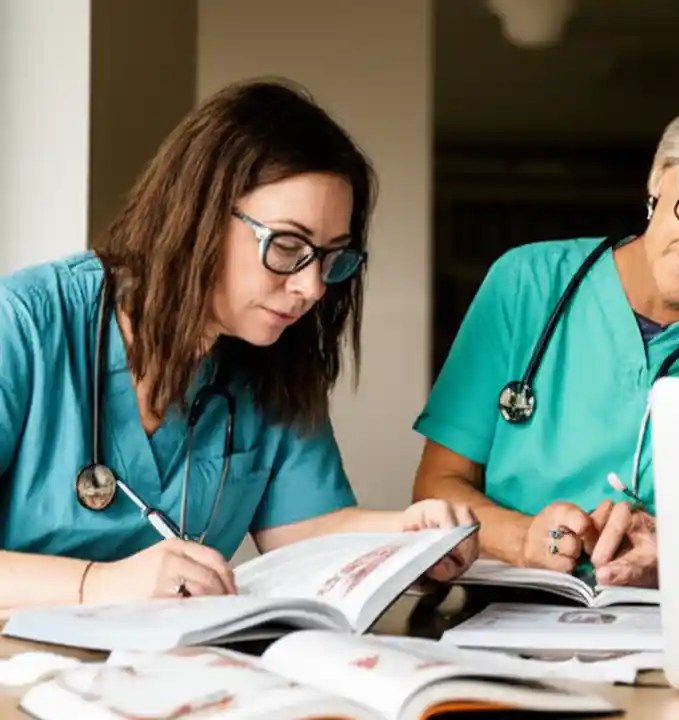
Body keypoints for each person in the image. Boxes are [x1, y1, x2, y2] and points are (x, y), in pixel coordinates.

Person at [0, 79, 478, 616]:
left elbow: (307, 529)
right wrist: (98, 585)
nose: (313, 287)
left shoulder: (270, 359)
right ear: (197, 213)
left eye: (331, 258)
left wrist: (407, 537)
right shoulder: (24, 325)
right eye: (288, 246)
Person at [412, 71, 679, 588]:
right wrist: (524, 537)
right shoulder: (525, 283)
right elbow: (437, 487)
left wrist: (678, 555)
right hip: (503, 610)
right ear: (662, 174)